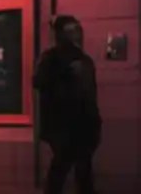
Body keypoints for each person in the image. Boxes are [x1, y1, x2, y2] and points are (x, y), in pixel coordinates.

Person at [35, 15, 101, 194]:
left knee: (82, 167)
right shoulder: (51, 58)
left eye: (77, 29)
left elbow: (90, 92)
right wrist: (66, 73)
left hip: (84, 123)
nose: (77, 34)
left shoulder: (84, 59)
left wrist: (95, 121)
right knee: (61, 166)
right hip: (62, 125)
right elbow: (39, 82)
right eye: (71, 30)